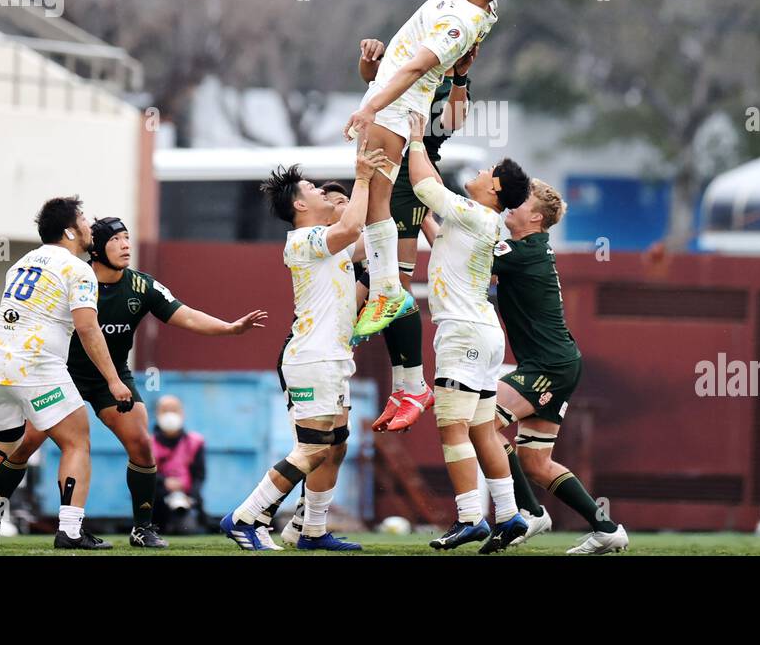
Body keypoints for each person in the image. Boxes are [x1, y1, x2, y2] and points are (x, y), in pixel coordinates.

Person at [341, 0, 568, 346]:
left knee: (377, 199)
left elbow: (421, 64)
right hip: (399, 102)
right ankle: (384, 290)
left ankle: (385, 292)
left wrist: (372, 105)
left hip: (399, 105)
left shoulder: (460, 19)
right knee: (377, 198)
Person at [0, 216, 266, 549]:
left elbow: (184, 314)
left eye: (128, 238)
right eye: (116, 239)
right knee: (24, 444)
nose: (126, 245)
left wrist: (229, 328)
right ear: (95, 248)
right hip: (58, 373)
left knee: (141, 444)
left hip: (112, 379)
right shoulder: (75, 276)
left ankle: (143, 528)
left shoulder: (142, 286)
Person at [0, 196, 131, 549]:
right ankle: (70, 530)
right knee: (76, 441)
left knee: (1, 442)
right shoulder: (77, 268)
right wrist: (113, 380)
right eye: (84, 219)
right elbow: (87, 328)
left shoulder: (22, 263)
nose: (89, 226)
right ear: (70, 230)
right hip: (35, 364)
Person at [220, 145, 389, 551]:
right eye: (314, 188)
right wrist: (363, 177)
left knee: (336, 443)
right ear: (299, 203)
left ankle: (311, 531)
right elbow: (350, 230)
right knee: (312, 449)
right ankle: (243, 518)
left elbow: (374, 237)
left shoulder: (329, 240)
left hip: (332, 358)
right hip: (312, 358)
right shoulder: (302, 240)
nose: (323, 192)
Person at [403, 111, 531, 552]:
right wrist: (422, 216)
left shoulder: (477, 214)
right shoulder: (478, 220)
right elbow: (441, 233)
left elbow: (424, 186)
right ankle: (510, 514)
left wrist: (416, 139)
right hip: (483, 332)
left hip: (463, 333)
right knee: (481, 431)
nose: (478, 173)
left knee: (451, 426)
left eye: (485, 171)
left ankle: (470, 517)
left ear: (495, 188)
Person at [492, 179, 629, 554]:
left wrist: (426, 211)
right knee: (535, 461)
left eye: (520, 201)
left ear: (535, 217)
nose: (512, 204)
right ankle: (607, 528)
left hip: (548, 367)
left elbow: (467, 259)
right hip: (555, 363)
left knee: (482, 424)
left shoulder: (521, 251)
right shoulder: (526, 248)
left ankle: (529, 512)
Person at [356, 36, 477, 432]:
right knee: (380, 285)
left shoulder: (447, 77)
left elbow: (453, 123)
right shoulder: (407, 58)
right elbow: (371, 79)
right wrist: (369, 59)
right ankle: (404, 386)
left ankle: (413, 386)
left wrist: (460, 78)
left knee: (394, 284)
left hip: (410, 176)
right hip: (378, 165)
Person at [151, 396, 207, 534]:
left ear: (182, 413)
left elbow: (199, 475)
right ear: (157, 414)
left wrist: (191, 496)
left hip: (186, 498)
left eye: (174, 410)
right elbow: (143, 475)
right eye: (165, 410)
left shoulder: (195, 442)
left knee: (190, 530)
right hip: (156, 501)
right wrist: (165, 482)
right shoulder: (147, 443)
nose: (170, 415)